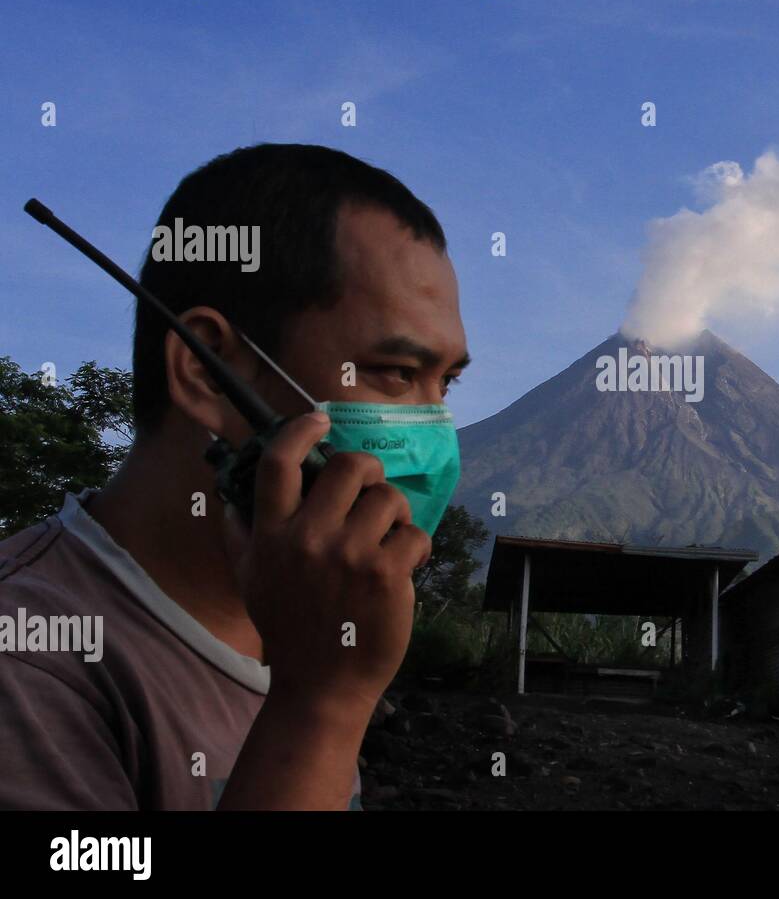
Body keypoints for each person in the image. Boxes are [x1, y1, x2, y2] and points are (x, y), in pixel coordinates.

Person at [0, 143, 468, 809]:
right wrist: (322, 707)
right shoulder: (27, 664)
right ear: (207, 371)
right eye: (395, 373)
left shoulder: (300, 629)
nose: (435, 437)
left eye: (446, 382)